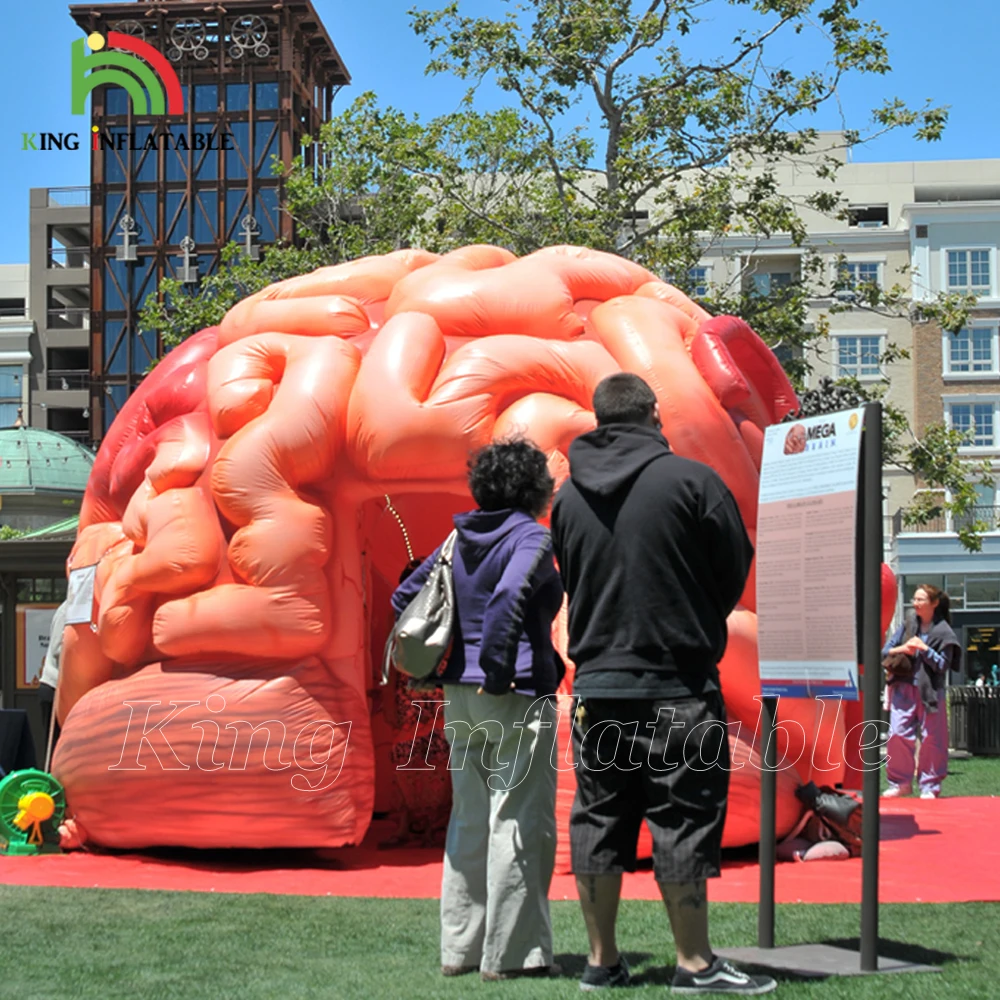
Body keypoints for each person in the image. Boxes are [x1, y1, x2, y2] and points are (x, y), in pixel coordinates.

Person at [550, 373, 775, 996]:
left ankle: (601, 962)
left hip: (598, 687)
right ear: (653, 414)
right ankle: (696, 964)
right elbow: (732, 573)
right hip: (678, 681)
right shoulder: (694, 482)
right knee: (684, 819)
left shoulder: (567, 499)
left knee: (598, 818)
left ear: (598, 419)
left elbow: (570, 576)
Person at [391, 439, 565, 982]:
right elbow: (511, 594)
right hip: (511, 691)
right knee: (518, 823)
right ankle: (512, 957)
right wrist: (496, 669)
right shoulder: (531, 536)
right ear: (535, 488)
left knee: (468, 822)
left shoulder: (456, 538)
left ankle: (459, 950)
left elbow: (405, 599)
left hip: (459, 696)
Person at [882, 584, 961, 800]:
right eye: (914, 599)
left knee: (931, 739)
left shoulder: (944, 632)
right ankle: (900, 783)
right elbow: (885, 650)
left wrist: (925, 650)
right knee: (897, 733)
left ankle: (930, 785)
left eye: (920, 600)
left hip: (930, 692)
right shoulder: (908, 623)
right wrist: (904, 648)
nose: (915, 603)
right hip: (903, 687)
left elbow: (943, 666)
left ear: (934, 604)